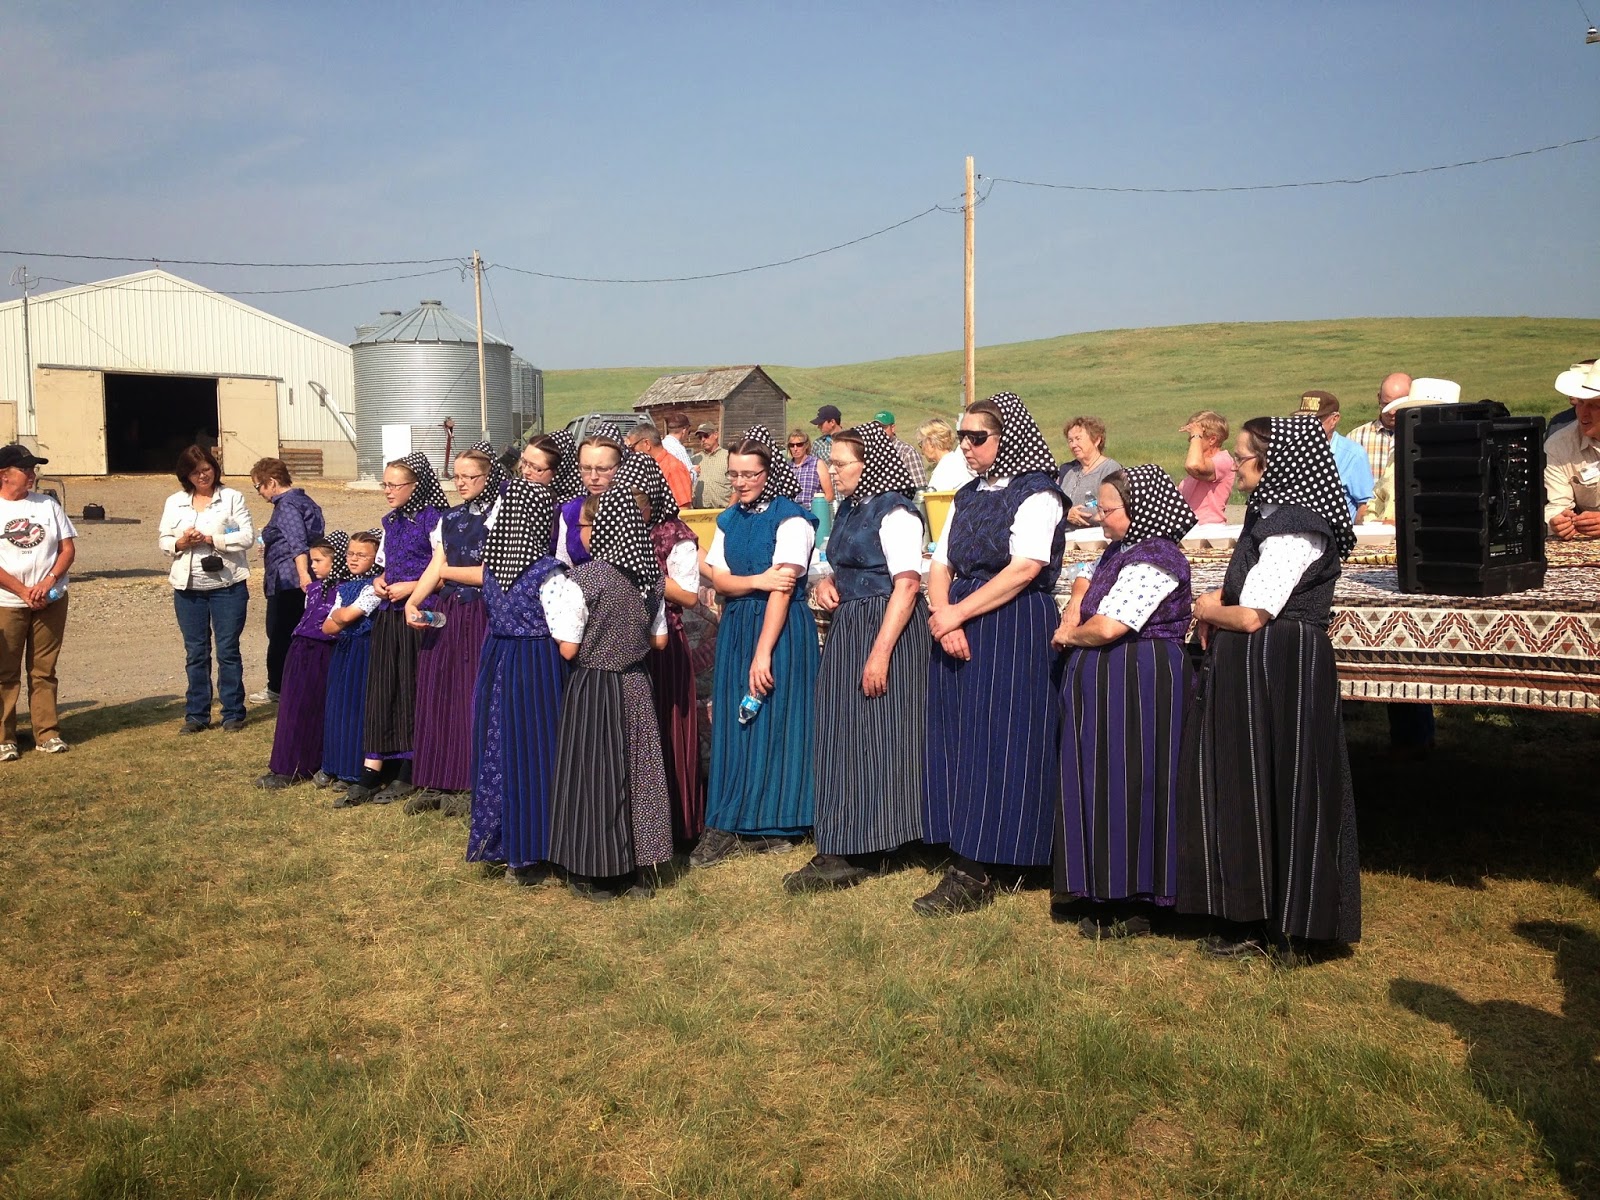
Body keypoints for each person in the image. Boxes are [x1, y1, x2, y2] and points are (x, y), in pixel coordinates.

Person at [1178, 414, 1361, 958]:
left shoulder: (1296, 524)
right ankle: (1250, 914)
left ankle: (1295, 928)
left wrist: (1209, 607)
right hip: (1257, 665)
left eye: (1245, 457)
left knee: (1290, 783)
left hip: (1283, 665)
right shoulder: (1272, 513)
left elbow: (1256, 613)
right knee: (1250, 786)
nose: (1238, 466)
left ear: (1276, 460)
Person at [919, 392, 1066, 915]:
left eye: (977, 436)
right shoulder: (967, 494)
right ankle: (964, 843)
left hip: (1012, 622)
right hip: (958, 618)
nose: (967, 445)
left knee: (1003, 738)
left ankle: (989, 863)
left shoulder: (1038, 495)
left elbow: (1025, 567)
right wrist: (942, 616)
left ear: (1008, 437)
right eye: (962, 436)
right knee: (960, 732)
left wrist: (958, 614)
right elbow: (941, 562)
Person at [1051, 466, 1195, 938]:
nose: (1102, 517)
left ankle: (1140, 898)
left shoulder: (1156, 559)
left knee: (1136, 783)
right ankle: (1099, 886)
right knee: (1101, 781)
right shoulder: (1125, 549)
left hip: (1139, 682)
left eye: (1109, 509)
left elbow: (1113, 625)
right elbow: (1087, 583)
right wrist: (1077, 601)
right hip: (1114, 679)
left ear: (1141, 511)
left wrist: (1071, 633)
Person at [787, 422, 930, 893]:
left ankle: (870, 843)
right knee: (841, 729)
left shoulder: (898, 513)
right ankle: (844, 837)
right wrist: (829, 582)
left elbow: (907, 584)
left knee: (879, 734)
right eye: (832, 463)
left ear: (869, 464)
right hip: (851, 625)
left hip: (885, 629)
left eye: (842, 463)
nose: (834, 471)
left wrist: (880, 655)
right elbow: (840, 563)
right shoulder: (851, 507)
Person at [694, 426, 820, 867]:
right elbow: (718, 577)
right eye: (734, 475)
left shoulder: (792, 519)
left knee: (776, 716)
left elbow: (783, 590)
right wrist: (754, 581)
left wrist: (763, 652)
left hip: (779, 629)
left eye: (750, 474)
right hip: (739, 623)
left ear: (768, 473)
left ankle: (779, 821)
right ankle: (732, 815)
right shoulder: (731, 519)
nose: (741, 482)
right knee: (736, 717)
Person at [546, 489, 674, 899]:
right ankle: (637, 869)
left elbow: (567, 646)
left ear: (601, 529)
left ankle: (596, 871)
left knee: (594, 777)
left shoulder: (586, 579)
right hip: (635, 684)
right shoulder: (651, 578)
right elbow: (658, 642)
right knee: (638, 776)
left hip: (594, 686)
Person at [468, 479, 570, 883]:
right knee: (538, 750)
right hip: (537, 664)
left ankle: (502, 842)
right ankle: (534, 851)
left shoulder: (492, 568)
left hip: (498, 659)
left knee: (500, 747)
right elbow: (565, 635)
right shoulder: (548, 574)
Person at [403, 443, 506, 815]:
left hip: (483, 610)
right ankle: (437, 777)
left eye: (469, 477)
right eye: (457, 477)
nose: (461, 483)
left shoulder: (502, 514)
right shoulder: (451, 518)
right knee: (439, 688)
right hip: (449, 611)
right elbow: (438, 562)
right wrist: (415, 600)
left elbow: (494, 571)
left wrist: (446, 574)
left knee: (469, 693)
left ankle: (468, 781)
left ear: (488, 476)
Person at [612, 450, 704, 848]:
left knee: (666, 730)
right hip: (623, 643)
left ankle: (677, 825)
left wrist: (647, 573)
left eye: (639, 500)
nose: (634, 508)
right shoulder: (616, 530)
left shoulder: (675, 535)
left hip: (665, 645)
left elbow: (687, 596)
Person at [348, 453, 449, 806]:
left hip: (420, 612)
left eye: (395, 485)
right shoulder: (390, 521)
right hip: (390, 611)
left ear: (415, 485)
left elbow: (443, 569)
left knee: (411, 686)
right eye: (385, 484)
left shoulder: (433, 519)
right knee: (382, 685)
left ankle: (410, 765)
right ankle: (374, 766)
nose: (388, 491)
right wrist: (379, 581)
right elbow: (387, 565)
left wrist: (412, 588)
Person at [159, 444, 254, 734]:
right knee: (196, 653)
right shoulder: (175, 501)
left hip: (227, 586)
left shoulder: (232, 498)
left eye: (207, 469)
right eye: (195, 472)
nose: (203, 476)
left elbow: (248, 536)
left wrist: (212, 539)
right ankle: (197, 715)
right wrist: (180, 543)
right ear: (185, 475)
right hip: (188, 589)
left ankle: (233, 713)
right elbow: (163, 539)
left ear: (214, 468)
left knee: (227, 650)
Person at [0, 443, 76, 760]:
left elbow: (67, 549)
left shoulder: (47, 504)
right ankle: (5, 738)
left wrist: (47, 582)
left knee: (43, 670)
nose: (32, 474)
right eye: (26, 469)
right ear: (4, 474)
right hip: (8, 601)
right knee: (5, 671)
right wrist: (21, 590)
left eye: (34, 468)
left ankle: (46, 733)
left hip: (50, 599)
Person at [255, 535, 345, 788]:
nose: (312, 566)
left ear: (335, 560)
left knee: (310, 708)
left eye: (318, 560)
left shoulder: (344, 590)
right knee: (291, 707)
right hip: (301, 650)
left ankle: (299, 765)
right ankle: (285, 763)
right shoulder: (315, 589)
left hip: (322, 651)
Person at [249, 457, 325, 704]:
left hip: (289, 581)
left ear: (271, 482)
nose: (259, 492)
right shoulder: (305, 500)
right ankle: (298, 683)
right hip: (295, 579)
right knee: (298, 632)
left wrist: (303, 575)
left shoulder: (287, 506)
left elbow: (297, 542)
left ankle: (278, 687)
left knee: (280, 633)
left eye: (258, 486)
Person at [321, 531, 382, 798]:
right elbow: (328, 626)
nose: (353, 559)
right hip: (344, 650)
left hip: (364, 650)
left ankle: (354, 770)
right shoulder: (344, 586)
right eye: (350, 553)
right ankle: (332, 764)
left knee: (357, 708)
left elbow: (347, 614)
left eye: (361, 555)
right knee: (338, 705)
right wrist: (341, 616)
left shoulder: (374, 587)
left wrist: (341, 615)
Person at [1292, 391, 1373, 523]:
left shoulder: (1353, 455)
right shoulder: (1292, 451)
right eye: (1303, 420)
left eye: (1316, 420)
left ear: (1334, 419)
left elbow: (1364, 505)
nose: (1308, 426)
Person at [1545, 360, 1600, 540]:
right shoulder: (1559, 444)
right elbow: (1557, 505)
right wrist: (1558, 522)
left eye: (1594, 406)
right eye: (1581, 403)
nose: (1583, 413)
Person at [557, 426, 626, 565]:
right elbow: (563, 563)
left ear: (620, 467)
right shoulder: (571, 511)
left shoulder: (633, 509)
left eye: (602, 469)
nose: (593, 477)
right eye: (586, 468)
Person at [1057, 416, 1120, 527]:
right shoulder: (1066, 471)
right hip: (1065, 539)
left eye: (1078, 439)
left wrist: (1073, 515)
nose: (1073, 445)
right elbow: (1051, 504)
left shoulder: (1110, 469)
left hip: (1098, 538)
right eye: (1070, 440)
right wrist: (1065, 513)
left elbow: (1112, 508)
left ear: (1096, 440)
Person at [1347, 372, 1410, 482]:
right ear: (1378, 399)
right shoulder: (1356, 439)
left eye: (1397, 405)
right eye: (1386, 404)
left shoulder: (1420, 437)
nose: (1391, 412)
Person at [1177, 410, 1235, 525]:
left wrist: (1196, 434)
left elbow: (1193, 465)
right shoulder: (1196, 471)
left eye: (1195, 438)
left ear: (1212, 439)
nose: (1191, 441)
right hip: (1191, 529)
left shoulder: (1223, 460)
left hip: (1209, 529)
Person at [625, 422, 693, 507]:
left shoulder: (673, 468)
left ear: (647, 444)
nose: (631, 452)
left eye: (632, 448)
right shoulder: (651, 466)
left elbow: (683, 508)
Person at [873, 410, 928, 490]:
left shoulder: (907, 452)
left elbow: (920, 487)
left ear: (893, 428)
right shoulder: (871, 452)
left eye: (883, 428)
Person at [919, 417, 975, 491]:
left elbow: (936, 501)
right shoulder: (955, 462)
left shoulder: (944, 471)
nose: (922, 452)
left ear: (931, 442)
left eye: (921, 444)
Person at [786, 429, 833, 507]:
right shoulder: (787, 468)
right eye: (792, 445)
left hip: (811, 512)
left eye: (799, 445)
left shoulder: (817, 464)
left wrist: (818, 510)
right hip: (792, 513)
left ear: (806, 445)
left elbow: (829, 495)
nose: (795, 448)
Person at [692, 423, 731, 509]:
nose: (703, 440)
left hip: (722, 511)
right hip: (698, 512)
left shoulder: (728, 457)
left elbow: (736, 487)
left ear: (716, 435)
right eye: (700, 437)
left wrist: (730, 508)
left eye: (706, 436)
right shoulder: (695, 459)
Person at [662, 410, 698, 483]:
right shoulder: (679, 449)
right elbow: (687, 479)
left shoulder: (661, 444)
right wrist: (695, 472)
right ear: (684, 431)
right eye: (689, 432)